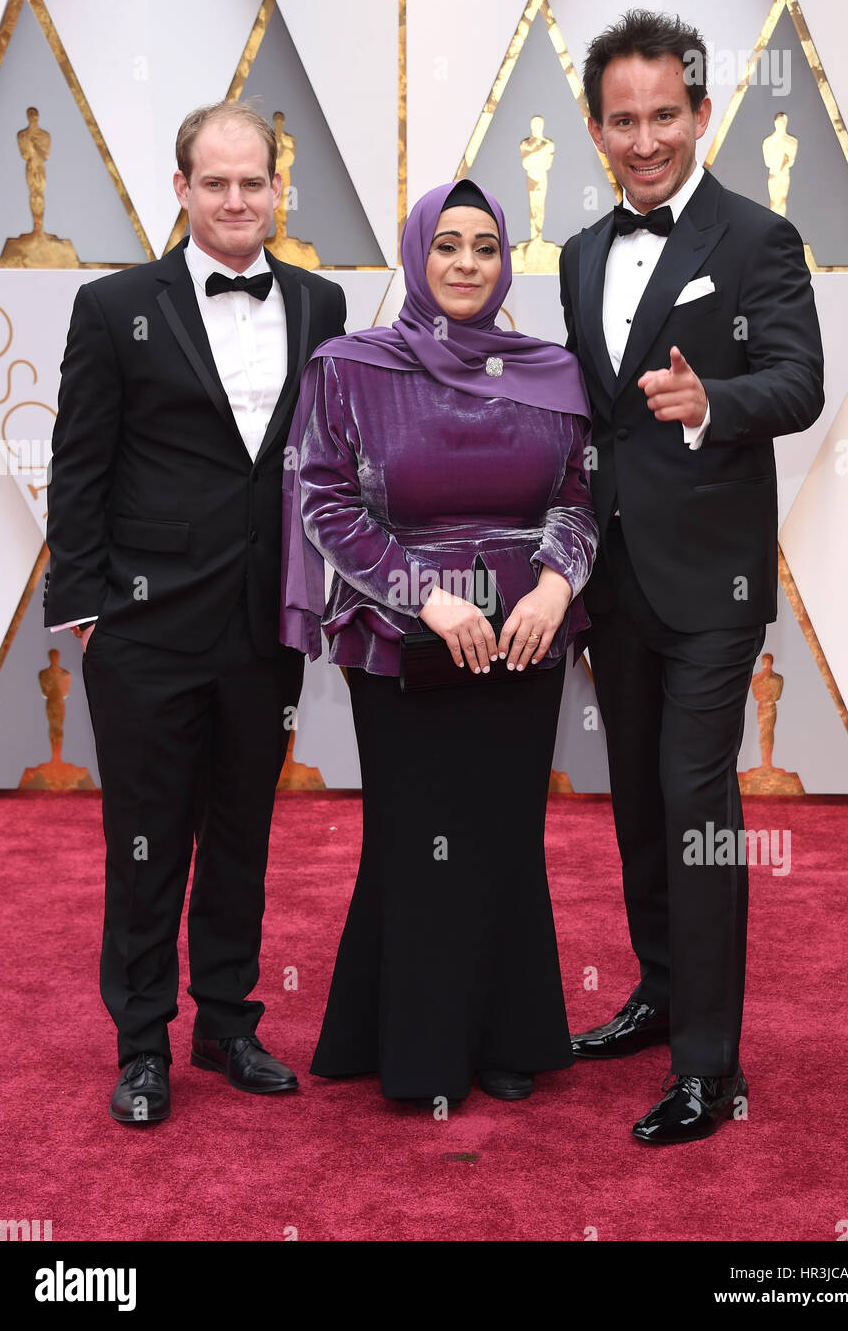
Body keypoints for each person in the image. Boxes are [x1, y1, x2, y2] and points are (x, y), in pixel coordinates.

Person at [44, 101, 346, 1125]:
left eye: (251, 181)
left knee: (242, 830)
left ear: (277, 188)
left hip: (264, 627)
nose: (234, 199)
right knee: (144, 841)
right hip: (144, 628)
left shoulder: (320, 303)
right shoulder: (113, 304)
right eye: (213, 183)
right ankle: (141, 1044)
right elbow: (78, 466)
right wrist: (87, 612)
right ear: (179, 189)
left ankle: (226, 1020)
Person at [559, 10, 824, 1144]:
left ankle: (711, 1068)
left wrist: (714, 405)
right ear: (594, 127)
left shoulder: (756, 237)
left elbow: (797, 383)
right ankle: (660, 993)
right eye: (621, 119)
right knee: (635, 808)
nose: (643, 137)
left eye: (663, 114)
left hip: (711, 582)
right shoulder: (573, 255)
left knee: (695, 806)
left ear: (700, 114)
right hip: (610, 586)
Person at [281, 179, 597, 1104]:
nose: (466, 264)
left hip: (526, 641)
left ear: (505, 262)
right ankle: (418, 1051)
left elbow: (576, 497)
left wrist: (553, 583)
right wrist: (431, 598)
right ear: (418, 255)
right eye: (447, 245)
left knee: (503, 840)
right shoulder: (351, 366)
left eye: (486, 247)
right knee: (419, 843)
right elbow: (325, 500)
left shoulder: (551, 370)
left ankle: (506, 1038)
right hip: (403, 646)